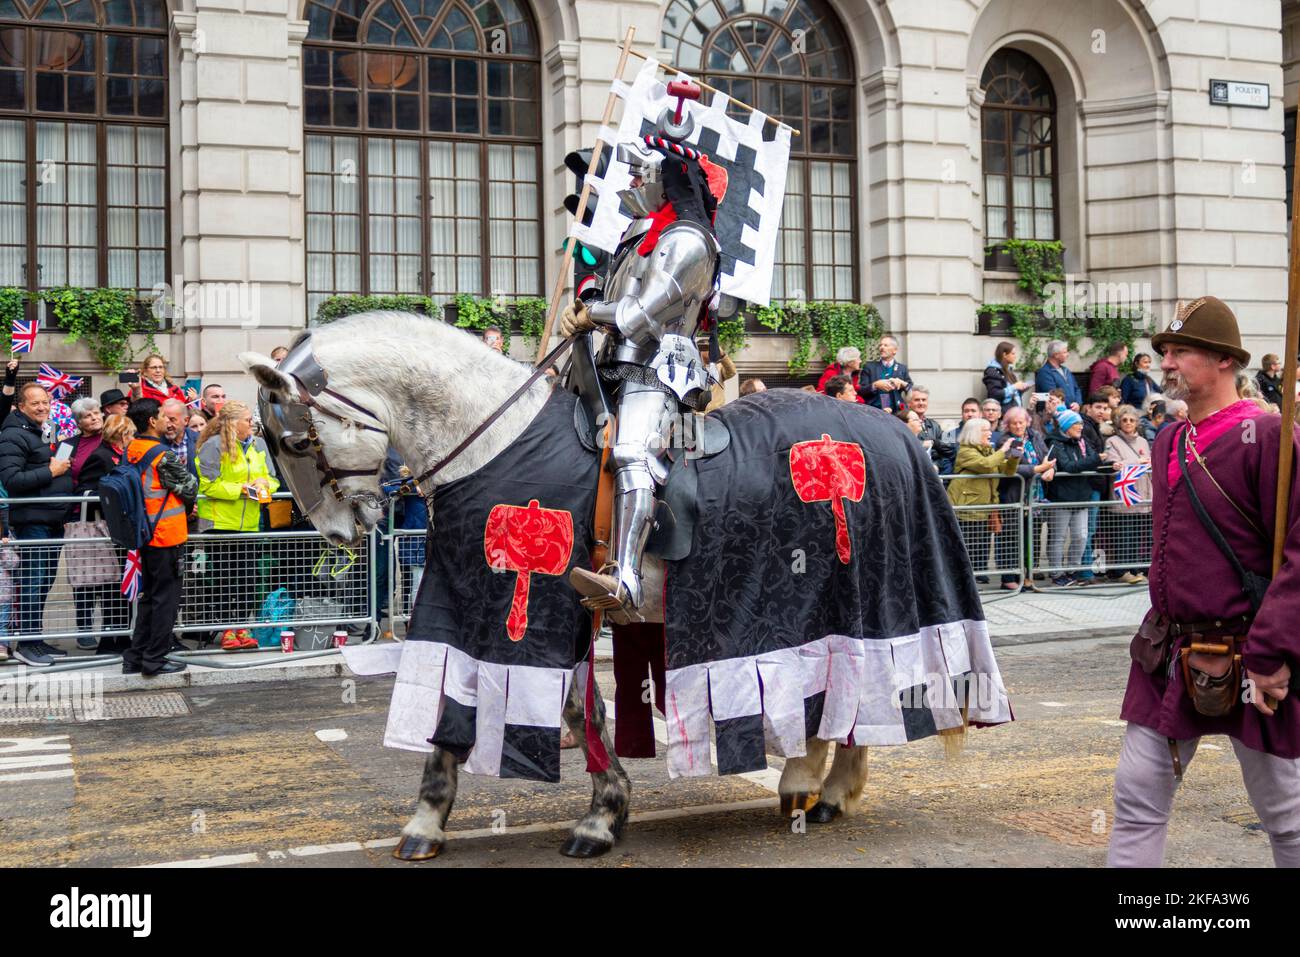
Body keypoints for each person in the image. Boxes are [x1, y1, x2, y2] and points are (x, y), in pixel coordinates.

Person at [1107, 295, 1300, 869]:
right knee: (1137, 798)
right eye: (1164, 350)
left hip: (1250, 649)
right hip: (1167, 648)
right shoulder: (1169, 438)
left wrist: (1274, 651)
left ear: (1223, 362)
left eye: (1182, 351)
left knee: (1286, 812)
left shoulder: (1269, 437)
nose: (1166, 362)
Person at [558, 127, 725, 616]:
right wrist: (583, 306)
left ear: (666, 177)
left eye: (639, 172)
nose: (630, 182)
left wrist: (595, 314)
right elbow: (607, 292)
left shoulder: (689, 241)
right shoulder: (639, 236)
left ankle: (626, 577)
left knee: (631, 452)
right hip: (610, 363)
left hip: (660, 368)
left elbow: (641, 314)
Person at [121, 398, 196, 677]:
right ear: (153, 421)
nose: (169, 420)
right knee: (166, 600)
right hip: (166, 535)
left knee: (150, 598)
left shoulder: (132, 449)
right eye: (164, 415)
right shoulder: (162, 454)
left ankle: (135, 657)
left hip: (145, 533)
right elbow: (190, 487)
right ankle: (154, 659)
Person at [0, 383, 74, 665]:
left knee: (44, 584)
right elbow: (12, 480)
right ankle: (27, 644)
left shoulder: (44, 430)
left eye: (45, 402)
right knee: (33, 583)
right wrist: (51, 470)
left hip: (52, 519)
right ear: (21, 407)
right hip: (33, 521)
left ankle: (37, 640)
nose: (43, 407)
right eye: (35, 404)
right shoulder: (12, 435)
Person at [196, 400, 279, 650]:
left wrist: (265, 485)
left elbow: (273, 479)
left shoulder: (259, 445)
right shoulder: (212, 446)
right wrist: (241, 489)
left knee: (247, 579)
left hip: (251, 524)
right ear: (233, 423)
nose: (252, 424)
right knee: (225, 580)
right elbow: (207, 485)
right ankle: (227, 631)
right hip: (220, 524)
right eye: (247, 420)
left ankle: (242, 626)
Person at [66, 398, 130, 652]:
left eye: (96, 413)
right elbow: (86, 488)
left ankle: (116, 636)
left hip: (115, 523)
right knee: (94, 579)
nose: (94, 418)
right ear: (78, 422)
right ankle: (90, 631)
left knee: (115, 583)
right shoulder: (75, 447)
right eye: (87, 415)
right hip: (92, 523)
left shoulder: (112, 445)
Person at [947, 417, 1018, 584]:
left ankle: (972, 582)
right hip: (967, 508)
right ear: (975, 433)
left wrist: (1014, 457)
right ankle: (963, 583)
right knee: (968, 549)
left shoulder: (987, 450)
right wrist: (1004, 449)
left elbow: (1006, 471)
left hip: (984, 508)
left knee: (979, 547)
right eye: (986, 430)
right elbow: (986, 465)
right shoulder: (966, 451)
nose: (990, 433)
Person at [1043, 408, 1107, 587]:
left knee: (1081, 536)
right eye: (1077, 424)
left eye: (1080, 423)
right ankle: (1056, 573)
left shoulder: (1082, 441)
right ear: (1067, 426)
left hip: (1081, 496)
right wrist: (1096, 460)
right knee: (1058, 537)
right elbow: (1068, 466)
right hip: (1062, 497)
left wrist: (1108, 464)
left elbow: (1093, 459)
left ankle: (1072, 569)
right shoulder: (1056, 443)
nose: (1081, 427)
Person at [995, 406, 1055, 591]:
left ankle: (1029, 576)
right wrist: (1037, 470)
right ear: (1008, 425)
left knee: (1033, 537)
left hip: (1035, 495)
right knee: (1012, 537)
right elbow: (1009, 468)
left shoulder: (1035, 436)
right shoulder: (1005, 440)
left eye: (1021, 422)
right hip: (1015, 495)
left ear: (1027, 422)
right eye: (1014, 423)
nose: (1018, 426)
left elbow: (1048, 457)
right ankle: (1009, 576)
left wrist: (1051, 469)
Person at [1103, 405, 1152, 586]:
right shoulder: (1112, 441)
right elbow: (1114, 464)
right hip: (1125, 493)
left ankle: (1136, 569)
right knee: (1124, 535)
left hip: (1143, 493)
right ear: (1119, 423)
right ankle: (1122, 570)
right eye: (1125, 420)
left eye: (1132, 420)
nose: (1129, 423)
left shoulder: (1143, 442)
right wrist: (1137, 462)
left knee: (1139, 534)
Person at [859, 334, 912, 412]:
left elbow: (911, 389)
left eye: (886, 345)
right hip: (875, 411)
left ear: (895, 350)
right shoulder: (869, 367)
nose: (882, 347)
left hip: (897, 412)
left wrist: (902, 383)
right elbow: (861, 390)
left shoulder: (902, 368)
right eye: (880, 345)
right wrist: (875, 385)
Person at [909, 386, 954, 473]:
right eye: (917, 400)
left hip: (935, 471)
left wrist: (934, 443)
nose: (921, 403)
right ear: (909, 403)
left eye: (924, 400)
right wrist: (922, 444)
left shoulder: (934, 425)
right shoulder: (903, 423)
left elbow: (949, 449)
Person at [983, 340, 1033, 415]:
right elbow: (994, 394)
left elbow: (1013, 393)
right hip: (1004, 414)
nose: (1015, 356)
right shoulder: (992, 371)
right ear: (1004, 354)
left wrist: (1022, 388)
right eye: (1013, 353)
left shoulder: (1008, 370)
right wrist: (1015, 387)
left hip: (1014, 412)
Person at [132, 354, 197, 407]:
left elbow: (184, 412)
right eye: (154, 367)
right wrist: (136, 391)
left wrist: (192, 401)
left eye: (160, 367)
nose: (158, 370)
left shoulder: (175, 389)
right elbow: (134, 410)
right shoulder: (138, 389)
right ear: (145, 371)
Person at [1034, 340, 1082, 411]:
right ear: (1056, 355)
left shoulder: (1066, 370)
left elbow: (1076, 389)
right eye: (1065, 352)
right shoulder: (1044, 373)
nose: (1068, 354)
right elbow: (1053, 395)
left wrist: (1078, 403)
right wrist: (1070, 406)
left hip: (1070, 413)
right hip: (1055, 416)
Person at [160, 398, 199, 479]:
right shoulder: (156, 443)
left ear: (186, 420)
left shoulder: (200, 441)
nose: (168, 425)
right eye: (164, 420)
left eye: (172, 420)